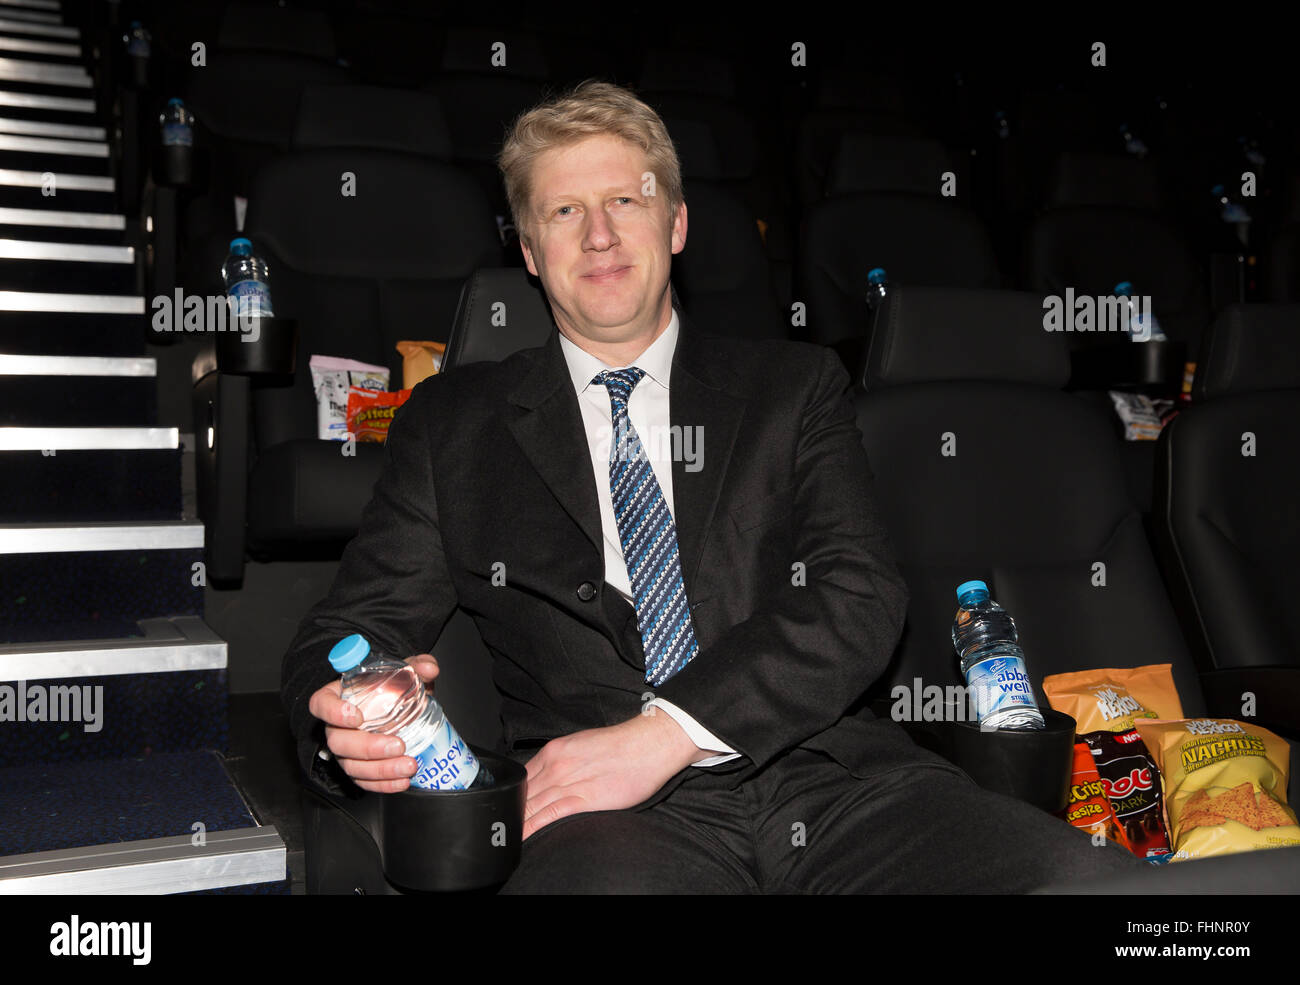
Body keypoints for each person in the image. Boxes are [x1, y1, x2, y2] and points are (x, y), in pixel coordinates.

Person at [280, 80, 1146, 893]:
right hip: (601, 819)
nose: (600, 234)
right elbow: (347, 631)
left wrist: (664, 733)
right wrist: (338, 725)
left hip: (834, 779)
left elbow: (859, 593)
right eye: (565, 211)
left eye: (627, 201)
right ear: (532, 253)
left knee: (1082, 886)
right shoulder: (451, 424)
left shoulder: (794, 387)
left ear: (678, 223)